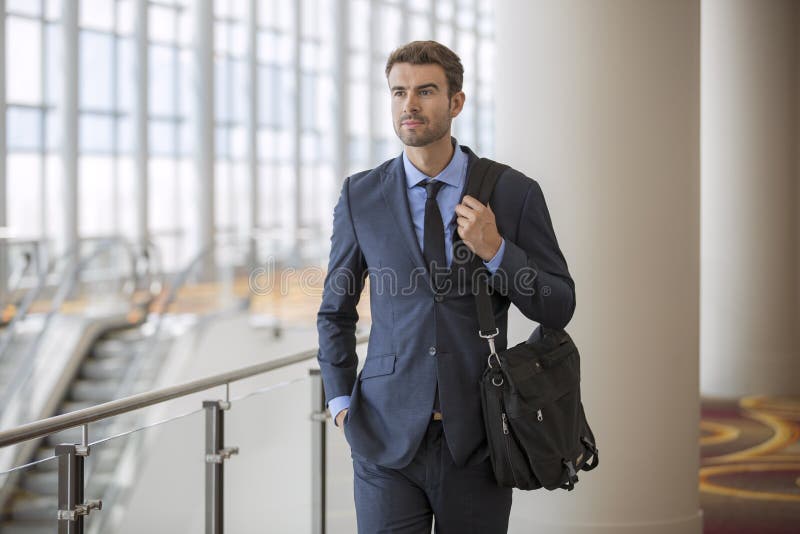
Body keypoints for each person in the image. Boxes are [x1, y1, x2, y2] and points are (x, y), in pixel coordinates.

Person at [316, 40, 575, 533]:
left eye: (426, 91)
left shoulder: (513, 191)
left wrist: (497, 249)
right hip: (383, 439)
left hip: (479, 437)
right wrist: (341, 404)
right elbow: (335, 311)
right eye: (398, 92)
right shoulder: (361, 195)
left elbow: (559, 305)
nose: (409, 105)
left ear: (456, 102)